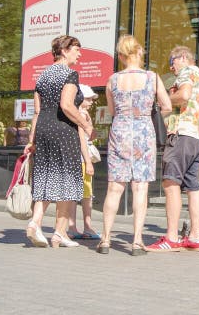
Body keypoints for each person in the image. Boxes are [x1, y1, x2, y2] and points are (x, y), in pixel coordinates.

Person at [99, 35, 172, 255]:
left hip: (120, 130)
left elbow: (112, 111)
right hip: (143, 132)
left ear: (121, 56)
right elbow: (166, 106)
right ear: (139, 52)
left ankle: (105, 239)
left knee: (114, 187)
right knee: (140, 187)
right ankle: (137, 240)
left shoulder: (112, 80)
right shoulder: (152, 77)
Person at [146, 46, 199, 253]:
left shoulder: (188, 72)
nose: (171, 66)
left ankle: (171, 237)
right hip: (196, 138)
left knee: (171, 183)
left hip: (180, 134)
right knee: (193, 188)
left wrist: (164, 101)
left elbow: (185, 95)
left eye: (173, 61)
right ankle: (195, 237)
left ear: (184, 58)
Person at [24, 35, 94, 248]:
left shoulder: (43, 76)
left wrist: (32, 139)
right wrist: (86, 125)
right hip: (64, 131)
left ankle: (36, 223)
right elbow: (66, 105)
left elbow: (36, 111)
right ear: (64, 51)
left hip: (44, 129)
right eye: (76, 49)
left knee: (47, 175)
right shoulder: (70, 74)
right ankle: (59, 233)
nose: (79, 54)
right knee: (69, 179)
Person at [67, 84, 101, 242]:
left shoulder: (76, 113)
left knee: (75, 194)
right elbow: (84, 139)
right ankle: (86, 227)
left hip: (74, 157)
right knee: (86, 194)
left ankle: (72, 227)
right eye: (88, 98)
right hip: (82, 158)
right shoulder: (81, 114)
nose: (91, 101)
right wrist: (88, 162)